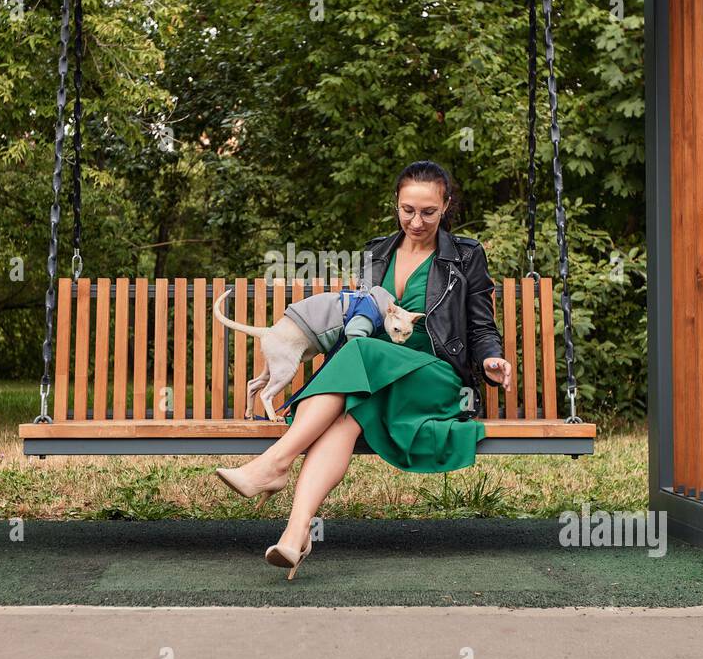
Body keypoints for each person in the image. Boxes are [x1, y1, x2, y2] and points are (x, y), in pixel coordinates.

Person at [215, 161, 513, 579]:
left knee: (361, 353)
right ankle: (295, 534)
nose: (417, 220)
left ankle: (275, 463)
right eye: (408, 209)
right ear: (396, 203)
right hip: (376, 379)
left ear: (445, 206)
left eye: (428, 211)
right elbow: (361, 317)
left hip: (435, 377)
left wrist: (489, 359)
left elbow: (481, 326)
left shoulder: (466, 255)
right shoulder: (377, 252)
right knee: (346, 416)